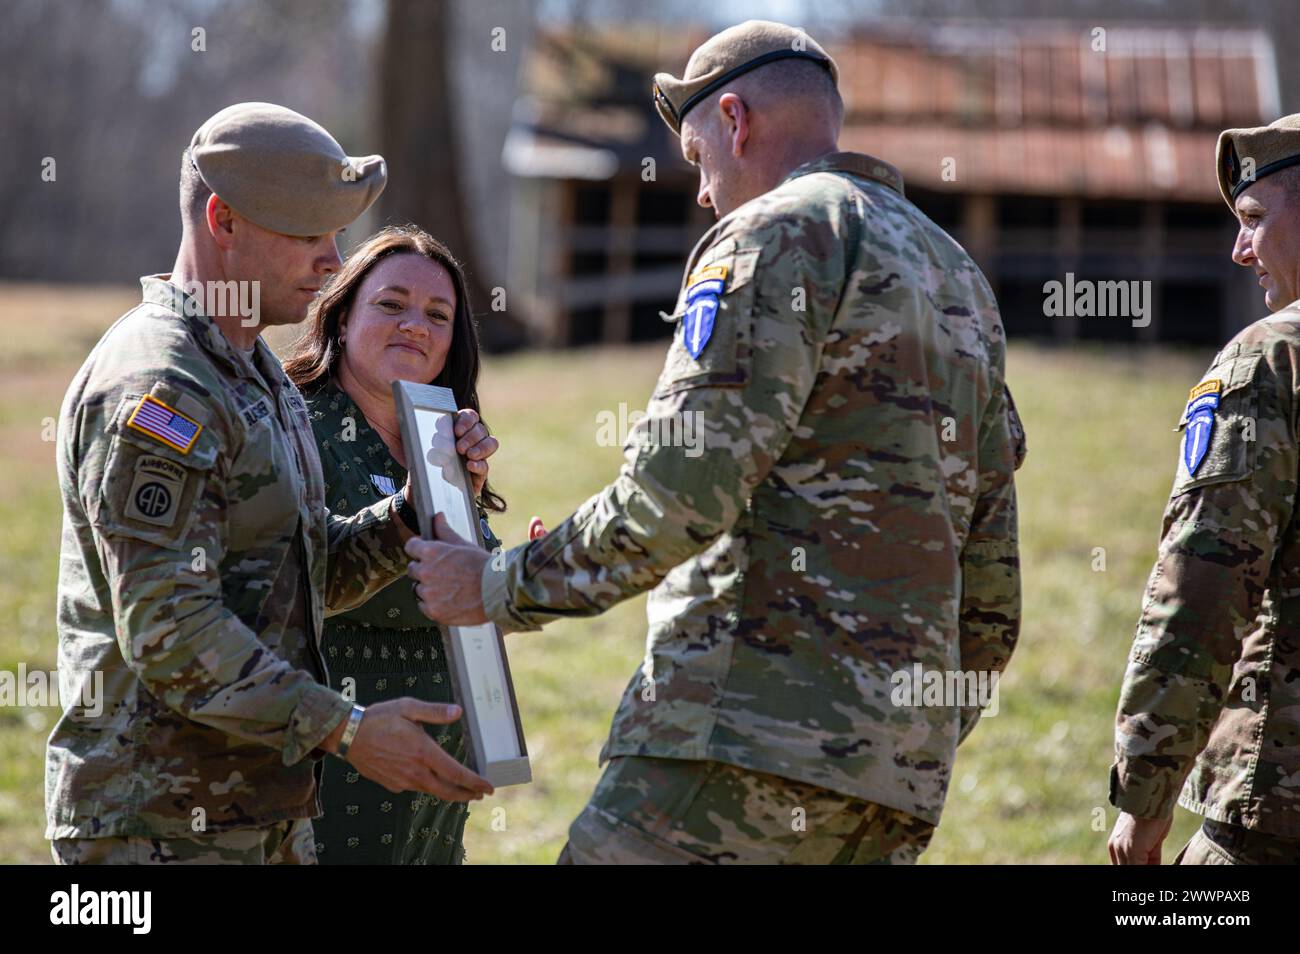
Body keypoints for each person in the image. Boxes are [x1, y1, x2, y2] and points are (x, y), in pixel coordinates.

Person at [407, 21, 1026, 864]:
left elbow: (677, 498)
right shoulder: (959, 278)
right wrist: (918, 738)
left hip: (738, 745)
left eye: (698, 159)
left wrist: (497, 583)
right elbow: (991, 576)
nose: (701, 193)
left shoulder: (773, 235)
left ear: (734, 119)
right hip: (892, 786)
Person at [48, 102, 493, 866]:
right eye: (307, 234)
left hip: (260, 815)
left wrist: (416, 513)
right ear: (222, 219)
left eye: (335, 234)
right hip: (155, 825)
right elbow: (170, 630)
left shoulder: (255, 372)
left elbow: (302, 571)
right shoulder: (163, 387)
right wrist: (346, 729)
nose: (332, 259)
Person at [1108, 114, 1300, 865]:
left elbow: (1203, 589)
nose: (1238, 247)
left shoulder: (1272, 361)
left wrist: (1146, 799)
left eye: (1254, 219)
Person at [284, 225, 508, 864]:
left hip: (429, 803)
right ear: (343, 315)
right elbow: (310, 579)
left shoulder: (442, 441)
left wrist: (514, 572)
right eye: (392, 304)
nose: (417, 324)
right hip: (337, 773)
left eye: (438, 315)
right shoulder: (293, 425)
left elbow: (464, 607)